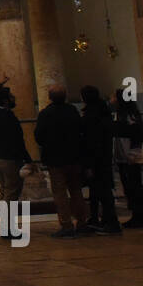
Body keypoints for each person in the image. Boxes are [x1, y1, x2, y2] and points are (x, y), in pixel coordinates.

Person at [33, 86, 91, 238]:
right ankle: (82, 222)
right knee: (76, 191)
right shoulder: (72, 111)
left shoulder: (46, 114)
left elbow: (39, 136)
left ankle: (66, 225)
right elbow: (81, 130)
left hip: (55, 159)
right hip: (74, 157)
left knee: (60, 193)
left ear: (50, 97)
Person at [0, 81, 32, 239]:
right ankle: (7, 229)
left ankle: (4, 226)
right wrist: (29, 160)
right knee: (11, 194)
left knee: (4, 192)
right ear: (5, 101)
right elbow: (19, 141)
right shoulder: (9, 117)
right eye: (11, 97)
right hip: (10, 160)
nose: (14, 99)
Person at [80, 85, 120, 235]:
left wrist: (89, 164)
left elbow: (91, 142)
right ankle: (99, 219)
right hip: (104, 157)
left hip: (95, 158)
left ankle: (111, 222)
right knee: (99, 190)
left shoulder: (91, 117)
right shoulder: (104, 113)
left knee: (102, 191)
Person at [113, 95, 143, 228]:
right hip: (126, 156)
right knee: (131, 186)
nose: (112, 99)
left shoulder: (129, 117)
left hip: (130, 156)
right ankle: (137, 215)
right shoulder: (126, 115)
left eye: (114, 97)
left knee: (134, 186)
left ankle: (139, 215)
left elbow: (129, 137)